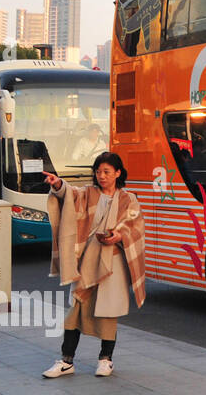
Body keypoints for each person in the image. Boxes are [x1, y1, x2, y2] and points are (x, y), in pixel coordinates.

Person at [41, 153, 146, 379]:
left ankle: (105, 360)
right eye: (98, 172)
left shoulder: (129, 199)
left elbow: (136, 226)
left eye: (107, 172)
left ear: (118, 173)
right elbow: (70, 195)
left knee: (109, 311)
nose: (102, 176)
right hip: (88, 259)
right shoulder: (88, 193)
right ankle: (66, 360)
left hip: (113, 262)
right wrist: (58, 184)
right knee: (76, 310)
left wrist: (118, 235)